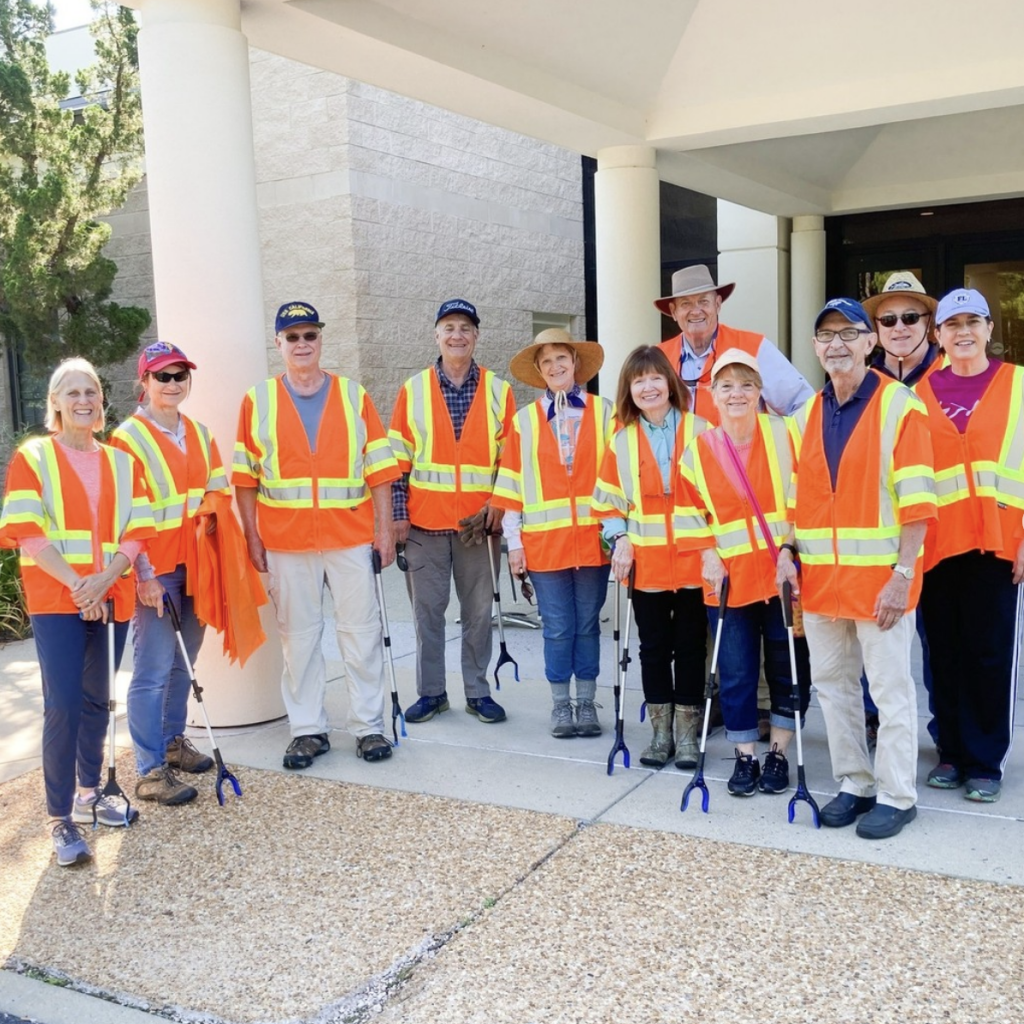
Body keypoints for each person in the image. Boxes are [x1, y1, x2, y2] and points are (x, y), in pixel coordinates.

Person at [778, 298, 936, 840]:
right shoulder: (803, 417)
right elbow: (795, 499)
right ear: (815, 347)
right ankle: (855, 783)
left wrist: (902, 576)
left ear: (871, 342)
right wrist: (786, 551)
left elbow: (918, 504)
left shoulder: (900, 406)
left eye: (849, 333)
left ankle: (896, 795)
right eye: (826, 335)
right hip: (822, 584)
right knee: (834, 687)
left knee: (890, 691)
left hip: (880, 584)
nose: (837, 344)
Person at [0, 358, 154, 866]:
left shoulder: (123, 463)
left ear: (101, 403)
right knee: (63, 703)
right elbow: (28, 531)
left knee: (96, 701)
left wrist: (106, 580)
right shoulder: (34, 457)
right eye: (72, 392)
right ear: (56, 403)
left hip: (111, 594)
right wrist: (79, 586)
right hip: (57, 599)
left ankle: (91, 793)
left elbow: (138, 530)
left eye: (91, 392)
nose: (83, 400)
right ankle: (59, 816)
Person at [234, 301, 401, 768]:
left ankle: (369, 727)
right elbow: (244, 479)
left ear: (321, 340)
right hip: (286, 542)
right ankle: (308, 730)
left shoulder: (352, 395)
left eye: (310, 335)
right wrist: (252, 537)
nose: (302, 344)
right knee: (299, 640)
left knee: (362, 633)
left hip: (350, 536)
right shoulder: (258, 400)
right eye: (292, 337)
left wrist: (385, 530)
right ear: (279, 344)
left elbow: (380, 470)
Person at [676, 349, 812, 795]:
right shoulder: (698, 451)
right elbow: (688, 512)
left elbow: (807, 497)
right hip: (728, 581)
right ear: (712, 394)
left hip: (783, 574)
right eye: (727, 386)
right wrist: (707, 554)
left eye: (746, 385)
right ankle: (745, 756)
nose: (737, 394)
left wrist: (790, 548)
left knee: (787, 668)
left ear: (760, 392)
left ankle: (778, 754)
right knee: (735, 673)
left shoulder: (786, 434)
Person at [109, 342, 230, 807]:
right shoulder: (128, 439)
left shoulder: (199, 434)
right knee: (153, 669)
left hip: (196, 567)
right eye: (163, 376)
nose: (173, 383)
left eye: (180, 375)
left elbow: (217, 495)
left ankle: (172, 742)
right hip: (155, 572)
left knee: (183, 662)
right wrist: (143, 575)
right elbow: (127, 515)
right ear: (144, 382)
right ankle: (149, 769)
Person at [915, 288, 1024, 803]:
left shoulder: (1019, 385)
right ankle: (951, 751)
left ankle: (984, 761)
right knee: (943, 654)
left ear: (988, 329)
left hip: (996, 546)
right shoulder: (916, 395)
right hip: (936, 547)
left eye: (972, 322)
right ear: (938, 335)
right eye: (952, 324)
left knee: (989, 654)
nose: (963, 332)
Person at [389, 299, 516, 725]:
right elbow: (397, 460)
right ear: (436, 336)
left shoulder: (499, 390)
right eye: (449, 328)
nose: (457, 335)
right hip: (423, 525)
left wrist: (498, 505)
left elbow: (510, 460)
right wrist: (398, 516)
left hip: (478, 528)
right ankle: (432, 693)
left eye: (465, 328)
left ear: (476, 336)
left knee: (479, 613)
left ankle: (478, 692)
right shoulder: (413, 390)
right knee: (427, 614)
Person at [492, 328, 614, 738]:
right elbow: (511, 487)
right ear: (539, 371)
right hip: (544, 545)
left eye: (562, 358)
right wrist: (514, 544)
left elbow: (620, 477)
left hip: (594, 542)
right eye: (547, 361)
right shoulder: (524, 421)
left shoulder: (606, 413)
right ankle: (561, 705)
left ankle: (586, 703)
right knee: (559, 627)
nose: (555, 366)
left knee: (588, 626)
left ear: (575, 363)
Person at [593, 346, 709, 768]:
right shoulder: (621, 441)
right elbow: (607, 505)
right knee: (654, 649)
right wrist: (619, 538)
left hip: (696, 561)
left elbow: (722, 496)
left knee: (692, 648)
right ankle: (661, 735)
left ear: (670, 383)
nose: (648, 387)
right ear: (629, 390)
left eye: (655, 378)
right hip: (647, 566)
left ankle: (687, 736)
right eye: (638, 380)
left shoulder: (702, 430)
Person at [861, 271, 941, 748]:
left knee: (941, 645)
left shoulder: (949, 376)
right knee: (878, 641)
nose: (899, 327)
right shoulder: (861, 381)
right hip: (881, 541)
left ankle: (945, 736)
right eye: (888, 319)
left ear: (928, 323)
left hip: (943, 536)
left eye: (910, 317)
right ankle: (875, 722)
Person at [654, 264, 814, 422]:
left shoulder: (754, 347)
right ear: (673, 311)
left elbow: (804, 407)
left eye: (703, 301)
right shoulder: (658, 358)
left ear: (717, 305)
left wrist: (780, 436)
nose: (696, 311)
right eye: (685, 304)